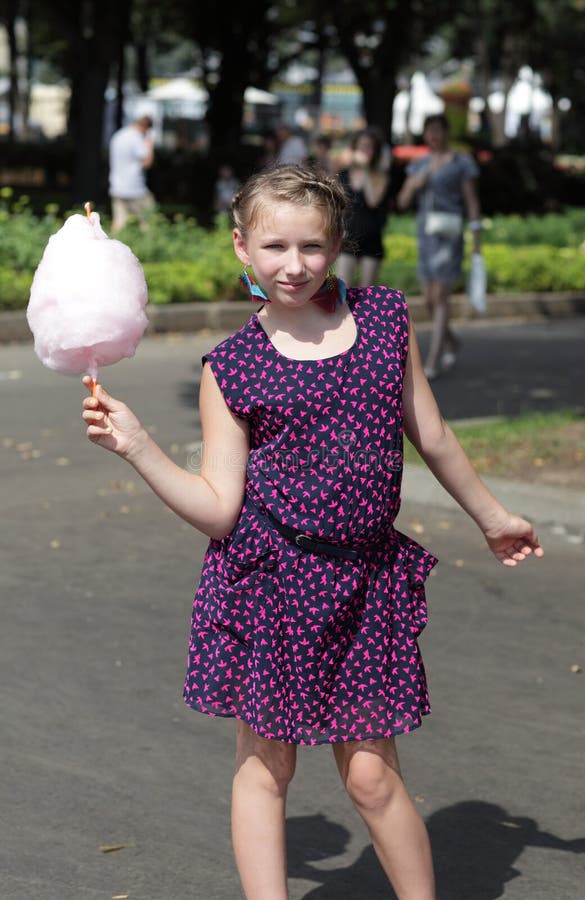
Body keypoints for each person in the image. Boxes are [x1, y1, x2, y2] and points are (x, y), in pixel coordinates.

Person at [81, 164, 543, 900]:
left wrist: (492, 516)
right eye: (274, 247)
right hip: (272, 585)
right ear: (242, 248)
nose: (293, 265)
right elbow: (217, 509)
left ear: (337, 245)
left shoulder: (387, 319)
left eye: (312, 247)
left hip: (362, 581)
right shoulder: (233, 366)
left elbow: (433, 434)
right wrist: (137, 445)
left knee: (371, 775)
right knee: (268, 765)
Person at [397, 112, 482, 380]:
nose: (433, 135)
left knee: (441, 296)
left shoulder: (461, 162)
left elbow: (472, 201)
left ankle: (431, 359)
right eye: (429, 130)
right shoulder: (419, 165)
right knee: (429, 299)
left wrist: (477, 238)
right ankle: (451, 340)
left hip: (450, 234)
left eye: (437, 129)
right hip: (426, 235)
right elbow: (402, 202)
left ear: (446, 132)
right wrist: (415, 185)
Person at [335, 128, 390, 287]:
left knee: (367, 294)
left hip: (371, 238)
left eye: (368, 146)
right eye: (360, 146)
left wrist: (366, 170)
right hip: (348, 237)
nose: (364, 151)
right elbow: (337, 206)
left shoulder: (380, 175)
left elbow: (373, 200)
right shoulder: (344, 174)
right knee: (342, 290)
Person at [108, 114, 155, 233]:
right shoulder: (136, 138)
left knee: (118, 224)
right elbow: (147, 162)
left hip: (117, 185)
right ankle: (149, 248)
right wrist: (149, 145)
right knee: (148, 221)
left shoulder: (119, 135)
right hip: (135, 187)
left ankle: (112, 247)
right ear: (146, 128)